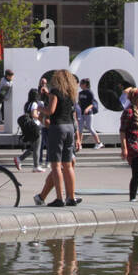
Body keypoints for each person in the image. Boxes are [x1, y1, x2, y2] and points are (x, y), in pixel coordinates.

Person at [36, 70, 81, 208]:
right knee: (68, 165)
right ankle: (71, 197)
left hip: (58, 128)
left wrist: (40, 108)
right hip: (69, 128)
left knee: (56, 165)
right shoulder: (71, 93)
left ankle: (59, 198)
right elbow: (71, 114)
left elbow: (51, 110)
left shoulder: (56, 91)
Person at [14, 96, 44, 173]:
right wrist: (41, 117)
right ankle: (36, 166)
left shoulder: (27, 104)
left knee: (33, 148)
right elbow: (34, 115)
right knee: (37, 147)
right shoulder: (34, 104)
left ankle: (19, 159)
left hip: (29, 127)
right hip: (35, 127)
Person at [78, 78, 105, 149]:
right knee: (80, 129)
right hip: (81, 113)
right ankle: (79, 144)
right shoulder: (80, 93)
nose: (80, 85)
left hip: (89, 113)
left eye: (81, 84)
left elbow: (92, 103)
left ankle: (99, 143)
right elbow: (79, 103)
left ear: (85, 84)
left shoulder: (89, 92)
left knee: (90, 127)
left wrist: (87, 108)